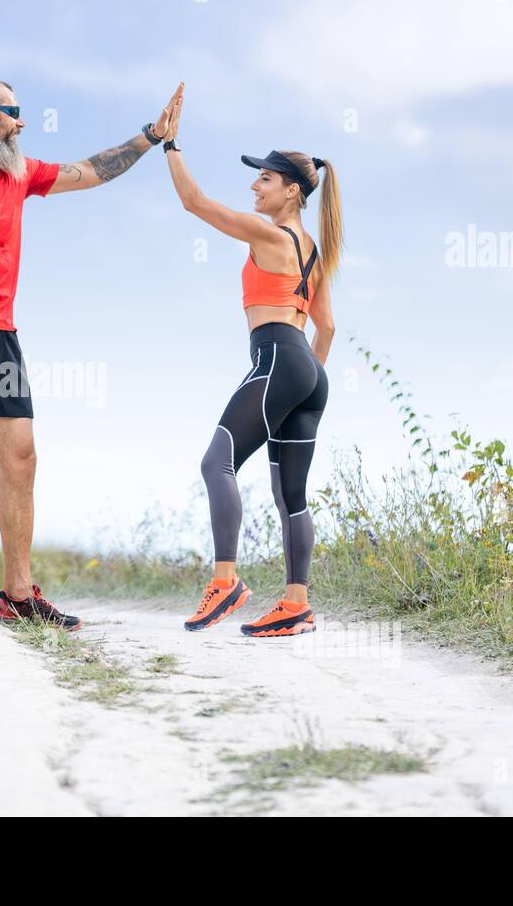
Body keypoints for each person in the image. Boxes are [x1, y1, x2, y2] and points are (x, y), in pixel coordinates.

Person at [0, 77, 175, 628]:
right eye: (14, 111)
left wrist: (149, 136)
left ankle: (17, 596)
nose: (22, 121)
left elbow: (90, 171)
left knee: (21, 458)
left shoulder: (19, 174)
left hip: (2, 337)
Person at [155, 84, 343, 636]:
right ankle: (296, 603)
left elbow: (195, 203)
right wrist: (304, 383)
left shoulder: (269, 233)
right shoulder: (312, 251)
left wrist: (170, 145)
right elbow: (327, 327)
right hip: (308, 370)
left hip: (279, 356)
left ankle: (226, 580)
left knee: (216, 463)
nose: (255, 186)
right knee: (292, 497)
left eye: (264, 178)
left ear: (291, 191)